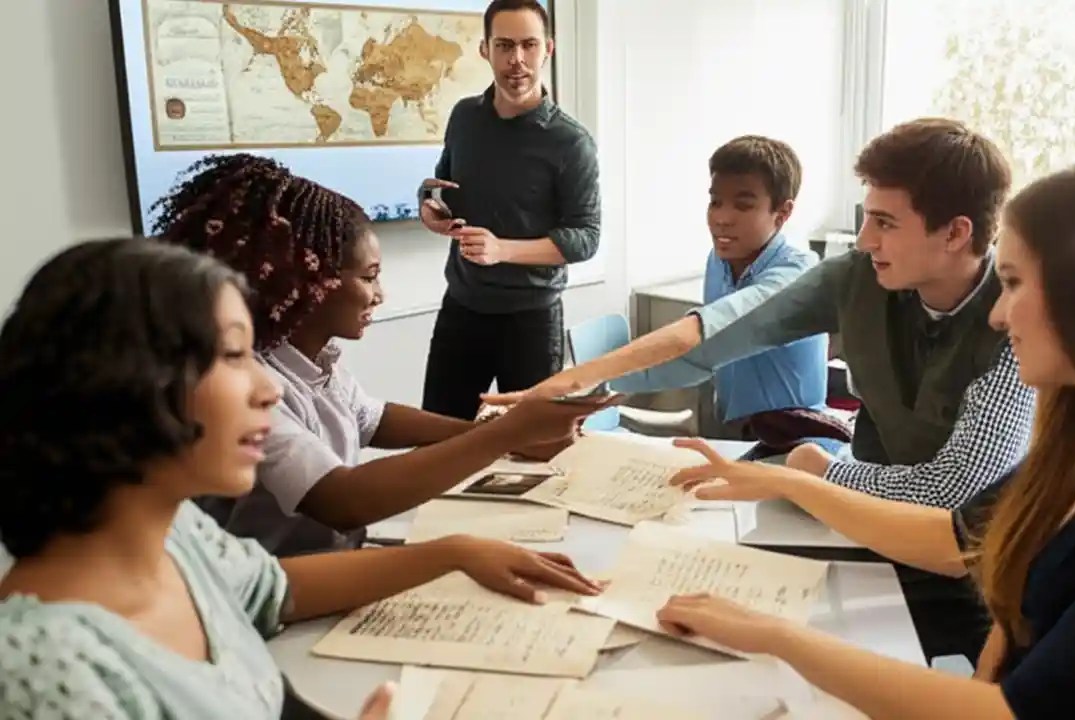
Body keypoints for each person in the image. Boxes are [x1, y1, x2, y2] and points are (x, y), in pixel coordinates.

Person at [657, 156, 1075, 718]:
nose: (996, 314)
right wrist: (782, 478)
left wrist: (774, 636)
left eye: (1012, 283)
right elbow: (953, 539)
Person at [0, 239, 602, 718]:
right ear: (128, 382)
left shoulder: (175, 534)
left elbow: (276, 586)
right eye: (235, 356)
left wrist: (453, 553)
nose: (270, 388)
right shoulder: (41, 669)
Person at [490, 118, 1034, 511]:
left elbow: (956, 488)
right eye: (867, 219)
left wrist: (822, 474)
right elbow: (713, 340)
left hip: (962, 559)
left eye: (886, 224)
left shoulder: (1016, 321)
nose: (865, 241)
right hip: (857, 517)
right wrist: (563, 386)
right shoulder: (857, 276)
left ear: (956, 232)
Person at [152, 153, 614, 557]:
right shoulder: (250, 386)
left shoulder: (315, 359)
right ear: (310, 282)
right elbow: (344, 499)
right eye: (369, 277)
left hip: (337, 560)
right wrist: (503, 434)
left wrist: (500, 434)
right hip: (287, 591)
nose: (380, 295)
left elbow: (371, 418)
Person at [508, 135, 846, 458]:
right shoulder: (720, 261)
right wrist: (598, 388)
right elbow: (697, 360)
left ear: (782, 213)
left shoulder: (795, 273)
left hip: (795, 441)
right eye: (715, 201)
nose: (722, 218)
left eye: (743, 205)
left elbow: (697, 334)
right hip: (734, 433)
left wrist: (574, 379)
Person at [418, 0, 601, 421]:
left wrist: (503, 250)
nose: (516, 60)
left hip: (531, 321)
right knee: (438, 435)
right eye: (503, 45)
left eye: (528, 45)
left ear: (547, 49)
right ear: (485, 50)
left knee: (531, 447)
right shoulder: (464, 117)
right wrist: (429, 208)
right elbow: (441, 185)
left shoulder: (571, 143)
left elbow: (586, 238)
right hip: (461, 308)